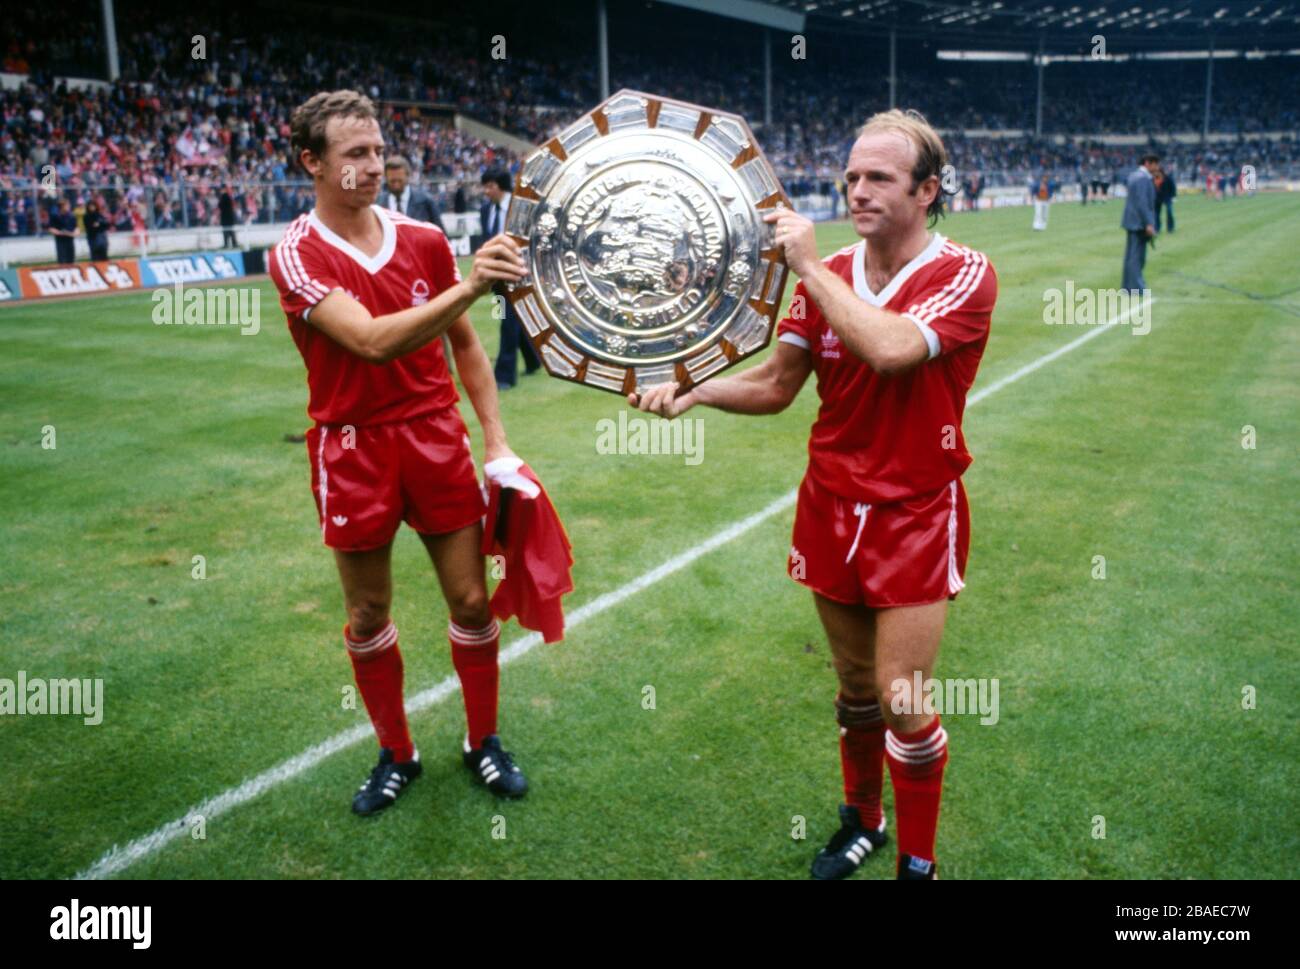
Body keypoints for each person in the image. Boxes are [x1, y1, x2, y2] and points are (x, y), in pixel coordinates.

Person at [633, 109, 998, 881]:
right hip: (830, 502)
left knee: (903, 697)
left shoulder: (964, 272)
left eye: (880, 178)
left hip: (913, 510)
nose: (857, 190)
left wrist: (810, 269)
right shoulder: (828, 273)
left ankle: (919, 861)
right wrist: (692, 390)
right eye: (852, 176)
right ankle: (861, 821)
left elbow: (894, 348)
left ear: (928, 189)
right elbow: (774, 385)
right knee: (856, 689)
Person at [267, 90, 532, 816]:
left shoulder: (421, 237)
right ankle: (398, 751)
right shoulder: (293, 253)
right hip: (352, 446)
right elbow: (373, 341)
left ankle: (482, 739)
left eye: (379, 150)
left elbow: (467, 346)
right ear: (311, 163)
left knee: (473, 599)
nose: (374, 165)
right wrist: (474, 284)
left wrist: (497, 439)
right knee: (366, 611)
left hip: (433, 434)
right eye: (355, 154)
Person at [480, 170, 540, 389]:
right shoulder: (486, 210)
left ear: (500, 186)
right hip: (498, 276)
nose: (486, 191)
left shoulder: (519, 208)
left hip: (519, 275)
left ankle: (504, 376)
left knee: (508, 322)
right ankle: (533, 360)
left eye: (489, 186)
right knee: (510, 319)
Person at [1121, 153, 1159, 293]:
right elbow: (1143, 203)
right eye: (1155, 164)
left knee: (1130, 256)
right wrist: (1149, 223)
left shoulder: (1133, 176)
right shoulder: (1143, 179)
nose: (1157, 168)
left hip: (1131, 220)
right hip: (1139, 222)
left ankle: (1127, 286)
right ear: (1148, 163)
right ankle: (1136, 287)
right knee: (1137, 256)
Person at [382, 156, 445, 230]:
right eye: (392, 181)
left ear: (408, 176)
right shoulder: (378, 205)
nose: (396, 185)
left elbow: (441, 235)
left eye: (400, 180)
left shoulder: (426, 202)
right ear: (386, 178)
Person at [48, 198, 78, 264]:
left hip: (70, 240)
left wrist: (74, 233)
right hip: (60, 241)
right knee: (62, 259)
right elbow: (51, 228)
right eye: (67, 205)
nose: (69, 206)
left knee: (71, 259)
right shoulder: (55, 216)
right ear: (62, 206)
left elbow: (76, 227)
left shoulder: (71, 216)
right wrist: (61, 233)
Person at [1155, 164, 1176, 234]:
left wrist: (1173, 196)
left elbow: (1172, 186)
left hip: (1167, 197)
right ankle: (1157, 228)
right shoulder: (1154, 179)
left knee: (1169, 212)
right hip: (1157, 198)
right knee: (1156, 214)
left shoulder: (1167, 177)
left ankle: (1170, 228)